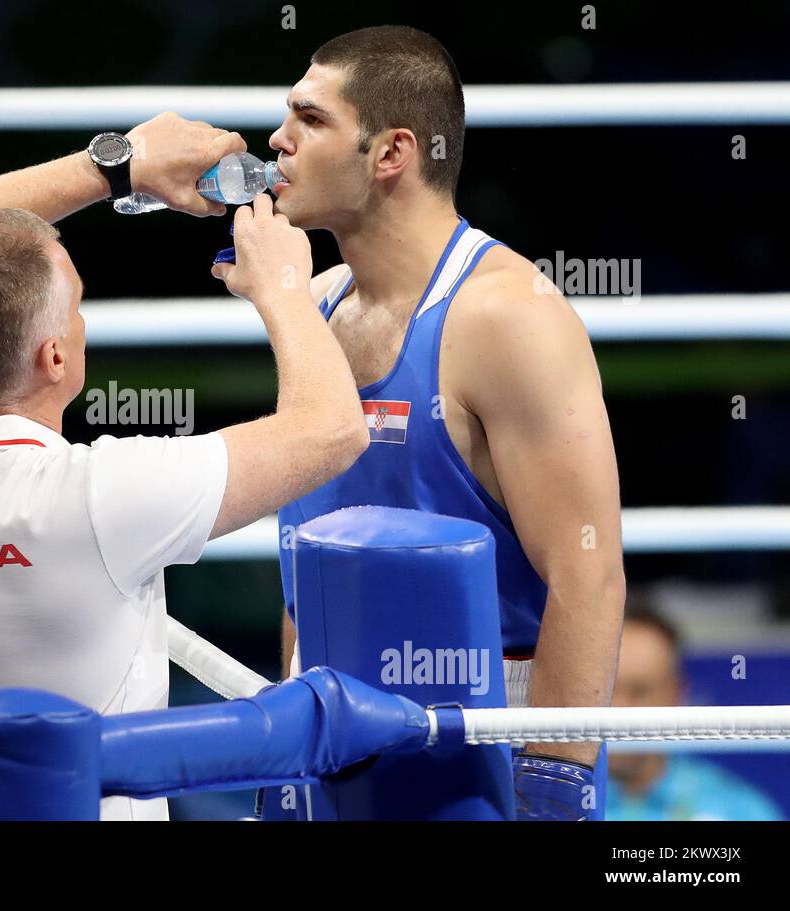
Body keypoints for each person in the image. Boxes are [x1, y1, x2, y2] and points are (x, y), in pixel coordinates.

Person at [0, 114, 369, 820]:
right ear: (54, 358)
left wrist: (116, 166)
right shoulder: (101, 497)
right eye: (76, 308)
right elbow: (332, 430)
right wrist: (284, 288)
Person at [268, 26, 625, 818]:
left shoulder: (506, 315)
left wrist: (555, 777)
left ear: (391, 152)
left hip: (479, 739)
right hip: (329, 732)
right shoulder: (313, 306)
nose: (276, 139)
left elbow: (586, 569)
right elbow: (308, 545)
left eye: (310, 119)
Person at [607, 603, 782, 821]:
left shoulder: (739, 809)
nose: (619, 709)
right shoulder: (556, 805)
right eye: (607, 690)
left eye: (640, 691)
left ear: (676, 694)